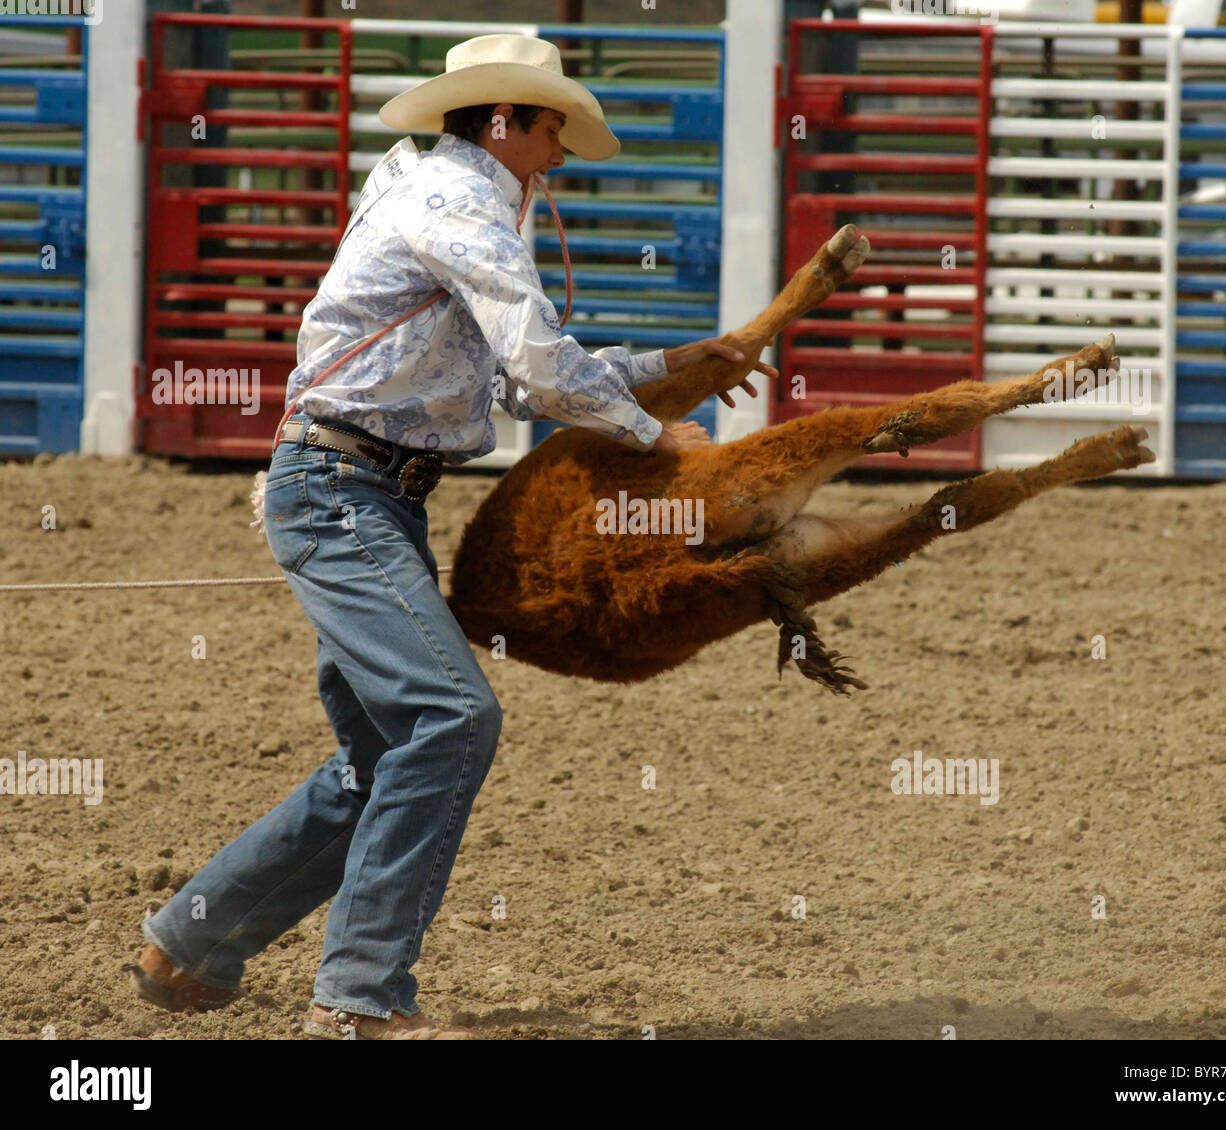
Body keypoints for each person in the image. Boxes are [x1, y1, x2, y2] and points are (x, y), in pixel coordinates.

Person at [129, 33, 774, 1040]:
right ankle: (359, 997)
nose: (563, 148)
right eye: (554, 122)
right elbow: (535, 366)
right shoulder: (461, 203)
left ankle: (194, 936)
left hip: (352, 487)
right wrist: (656, 433)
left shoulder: (439, 195)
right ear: (505, 119)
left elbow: (518, 373)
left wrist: (663, 363)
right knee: (449, 715)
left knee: (383, 749)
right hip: (350, 490)